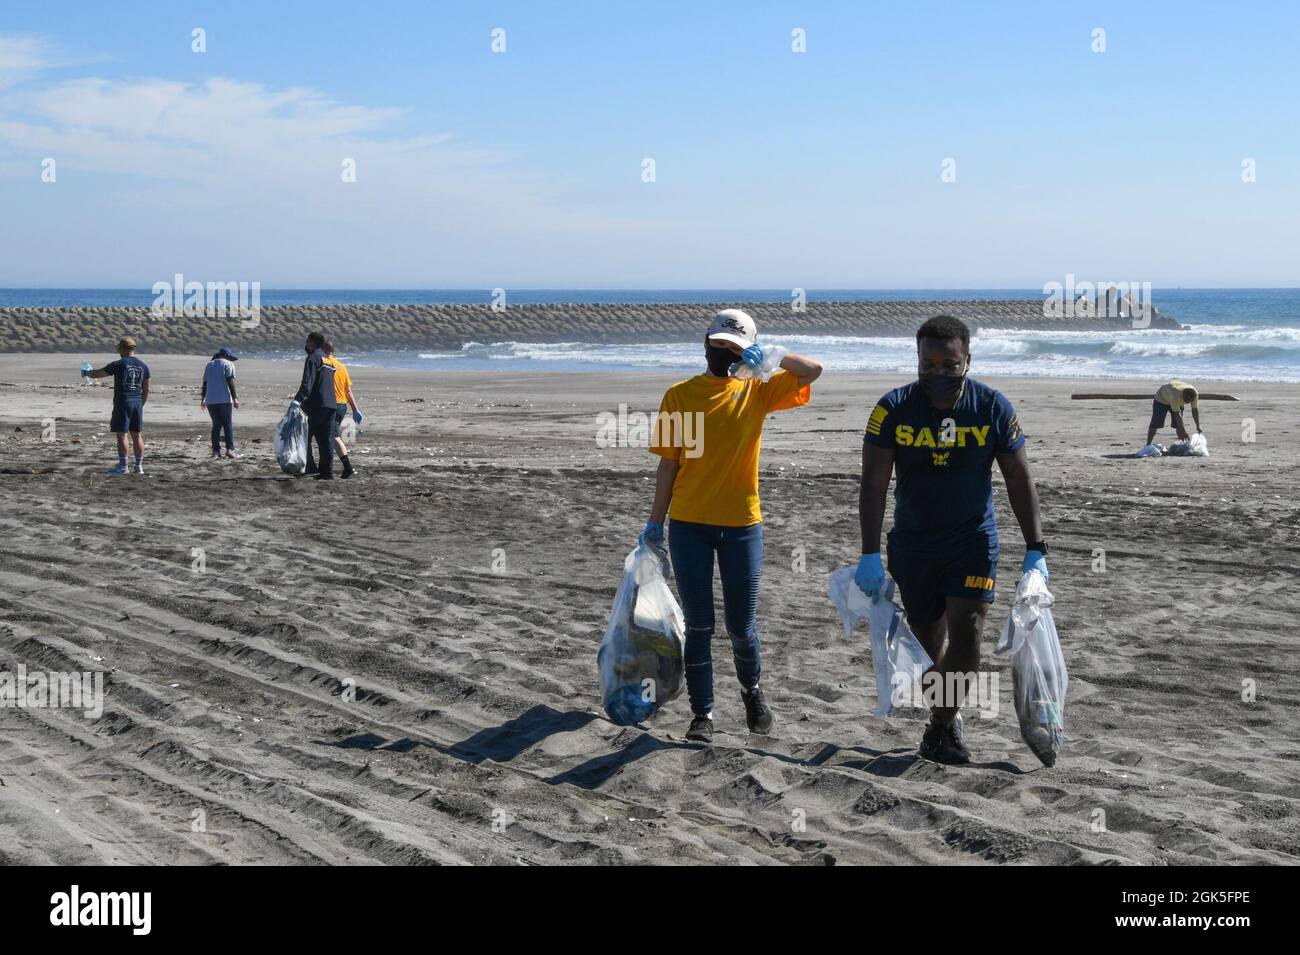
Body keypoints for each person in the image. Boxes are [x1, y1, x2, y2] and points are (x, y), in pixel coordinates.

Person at [856, 315, 1045, 765]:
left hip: (972, 541)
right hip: (914, 545)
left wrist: (1036, 547)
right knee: (926, 647)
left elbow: (1018, 477)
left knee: (970, 631)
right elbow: (874, 483)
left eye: (949, 364)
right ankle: (946, 714)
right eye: (929, 364)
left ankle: (941, 724)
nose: (938, 373)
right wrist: (868, 554)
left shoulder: (992, 408)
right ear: (917, 361)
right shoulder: (893, 409)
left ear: (968, 360)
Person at [644, 309, 822, 743]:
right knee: (699, 625)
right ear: (704, 342)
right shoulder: (680, 395)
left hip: (743, 524)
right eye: (718, 344)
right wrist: (654, 525)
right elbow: (669, 464)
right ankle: (702, 715)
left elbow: (813, 371)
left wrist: (774, 357)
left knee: (742, 626)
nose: (723, 353)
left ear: (747, 351)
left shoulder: (757, 392)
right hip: (689, 524)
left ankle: (752, 692)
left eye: (734, 348)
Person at [83, 336, 150, 475]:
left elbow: (97, 374)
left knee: (122, 435)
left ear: (123, 349)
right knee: (137, 435)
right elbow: (146, 389)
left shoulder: (119, 364)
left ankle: (123, 466)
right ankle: (138, 467)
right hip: (137, 402)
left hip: (123, 401)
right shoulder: (144, 366)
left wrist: (86, 372)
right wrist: (141, 404)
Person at [292, 331, 337, 479]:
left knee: (304, 436)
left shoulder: (313, 358)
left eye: (307, 342)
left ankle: (310, 468)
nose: (306, 345)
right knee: (326, 440)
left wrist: (297, 400)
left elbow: (307, 383)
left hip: (315, 404)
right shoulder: (328, 361)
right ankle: (327, 472)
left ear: (312, 342)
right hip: (331, 405)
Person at [322, 340, 361, 479]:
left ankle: (348, 467)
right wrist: (355, 409)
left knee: (333, 435)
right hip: (342, 405)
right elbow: (348, 390)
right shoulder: (342, 367)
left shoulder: (324, 364)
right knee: (329, 435)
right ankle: (330, 467)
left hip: (330, 405)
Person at [200, 346, 240, 459]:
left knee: (216, 425)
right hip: (224, 399)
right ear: (227, 356)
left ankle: (216, 451)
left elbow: (205, 383)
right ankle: (230, 449)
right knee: (227, 424)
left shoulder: (209, 364)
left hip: (211, 400)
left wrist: (203, 398)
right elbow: (230, 382)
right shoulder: (228, 364)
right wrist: (235, 398)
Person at [1146, 379, 1202, 445]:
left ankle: (1183, 444)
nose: (1187, 402)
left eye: (1190, 401)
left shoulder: (1195, 395)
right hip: (1161, 399)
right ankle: (1148, 444)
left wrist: (1198, 425)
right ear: (1183, 395)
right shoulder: (1175, 394)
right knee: (1155, 423)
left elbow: (1194, 410)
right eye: (1186, 400)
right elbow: (1177, 415)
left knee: (1178, 425)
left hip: (1176, 398)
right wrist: (1183, 431)